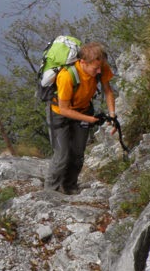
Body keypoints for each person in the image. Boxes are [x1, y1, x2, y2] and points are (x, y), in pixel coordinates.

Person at [46, 41, 116, 194]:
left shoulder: (101, 66)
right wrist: (90, 120)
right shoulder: (66, 76)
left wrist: (112, 115)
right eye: (95, 68)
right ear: (82, 62)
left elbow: (108, 91)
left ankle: (70, 187)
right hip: (59, 114)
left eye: (100, 67)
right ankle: (50, 191)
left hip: (83, 109)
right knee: (62, 155)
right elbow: (64, 110)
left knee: (78, 153)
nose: (99, 71)